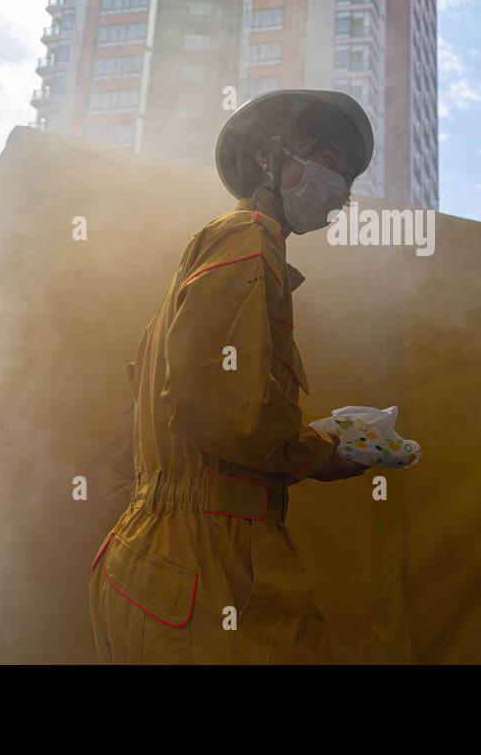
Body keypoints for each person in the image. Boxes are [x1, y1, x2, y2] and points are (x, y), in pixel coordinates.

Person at [89, 89, 374, 664]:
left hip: (181, 560)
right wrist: (321, 451)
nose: (338, 187)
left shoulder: (241, 250)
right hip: (202, 558)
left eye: (346, 175)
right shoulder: (245, 238)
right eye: (325, 162)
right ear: (269, 159)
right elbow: (216, 404)